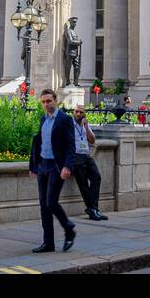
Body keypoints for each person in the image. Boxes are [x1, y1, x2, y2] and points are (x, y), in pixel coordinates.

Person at [28, 88, 77, 253]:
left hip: (57, 166)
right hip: (43, 165)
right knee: (43, 206)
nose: (46, 104)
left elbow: (71, 146)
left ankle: (68, 227)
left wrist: (67, 166)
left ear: (55, 100)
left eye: (48, 101)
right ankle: (48, 243)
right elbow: (38, 143)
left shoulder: (64, 119)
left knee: (51, 202)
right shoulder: (43, 119)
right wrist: (33, 166)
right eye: (43, 102)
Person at [70, 105, 106, 221]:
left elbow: (92, 140)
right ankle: (93, 209)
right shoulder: (69, 124)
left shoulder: (85, 124)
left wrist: (86, 127)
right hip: (76, 156)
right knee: (83, 184)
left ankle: (93, 208)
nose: (78, 114)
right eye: (76, 112)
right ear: (73, 112)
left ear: (84, 114)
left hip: (86, 155)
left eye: (81, 112)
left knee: (97, 177)